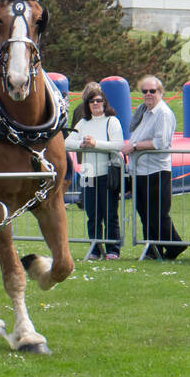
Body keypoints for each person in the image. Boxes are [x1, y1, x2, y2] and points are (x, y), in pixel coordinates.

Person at [124, 76, 181, 259]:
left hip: (156, 170)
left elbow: (160, 142)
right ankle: (152, 248)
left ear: (161, 92)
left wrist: (134, 147)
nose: (148, 94)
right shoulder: (144, 112)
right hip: (140, 170)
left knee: (158, 213)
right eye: (145, 91)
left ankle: (174, 245)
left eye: (152, 91)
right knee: (144, 212)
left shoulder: (163, 113)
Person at [66, 83, 124, 259]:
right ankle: (95, 248)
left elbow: (118, 144)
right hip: (88, 171)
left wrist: (94, 144)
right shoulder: (83, 122)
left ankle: (113, 249)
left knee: (109, 213)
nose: (95, 103)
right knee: (92, 214)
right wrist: (81, 144)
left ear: (104, 103)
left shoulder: (111, 121)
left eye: (99, 100)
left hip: (107, 171)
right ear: (87, 104)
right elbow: (66, 142)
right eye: (92, 101)